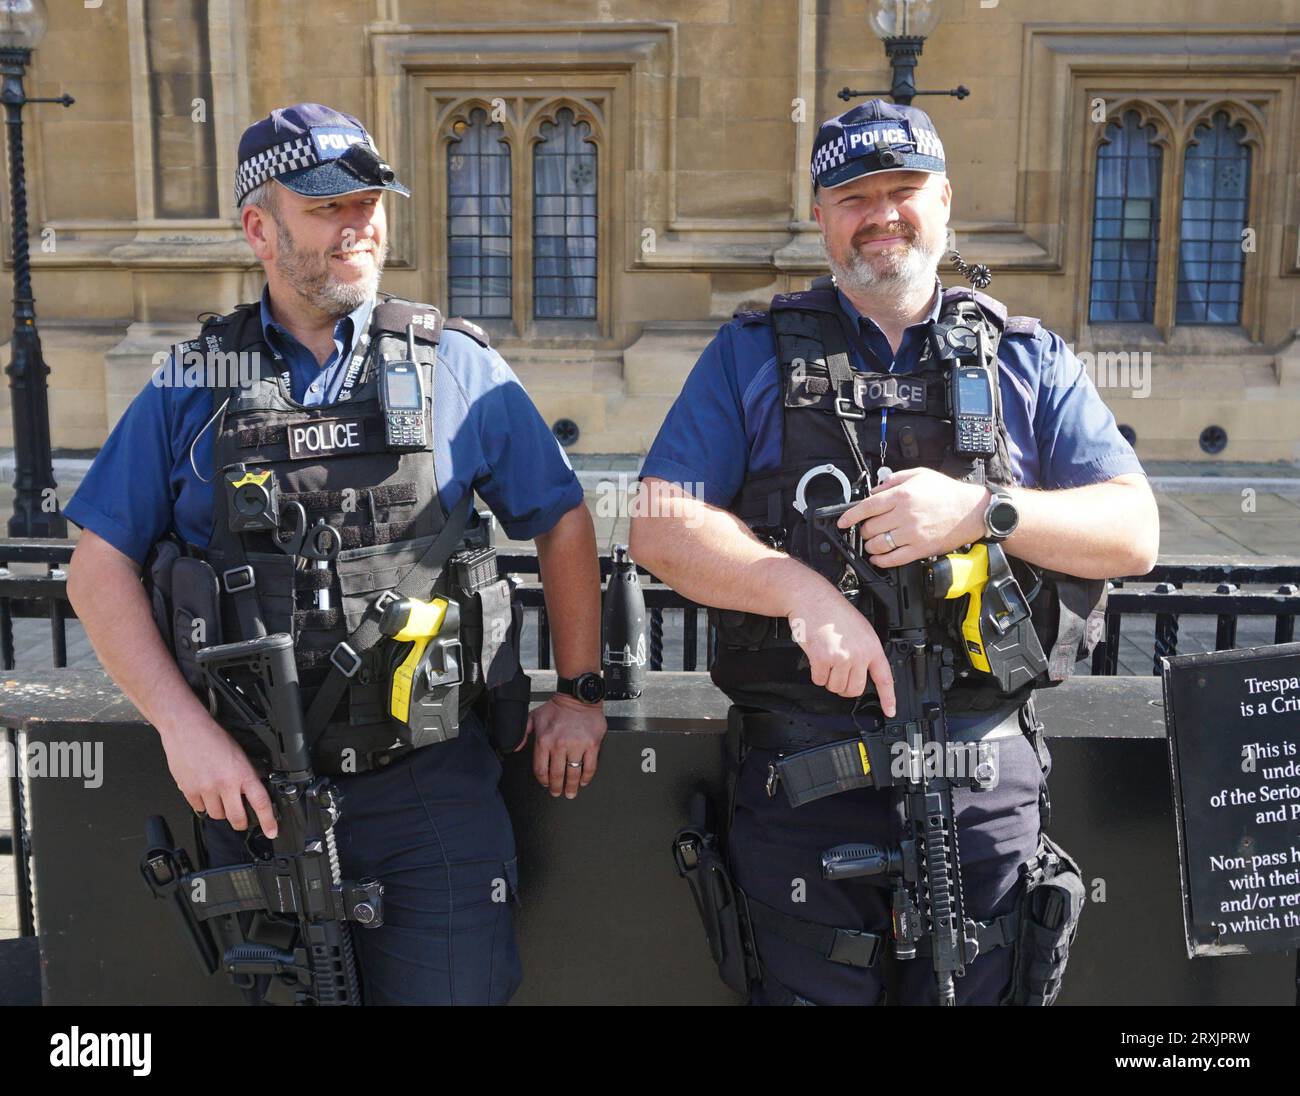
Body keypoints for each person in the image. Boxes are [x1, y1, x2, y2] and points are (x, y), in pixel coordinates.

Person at [64, 103, 608, 1005]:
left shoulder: (456, 366)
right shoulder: (194, 382)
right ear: (258, 229)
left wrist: (581, 691)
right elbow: (96, 567)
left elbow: (561, 515)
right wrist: (183, 729)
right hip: (259, 796)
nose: (360, 224)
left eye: (369, 202)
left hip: (429, 791)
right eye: (327, 208)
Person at [634, 100, 1160, 1005]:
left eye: (904, 190)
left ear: (946, 201)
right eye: (853, 195)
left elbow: (1134, 532)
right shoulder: (750, 355)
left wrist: (981, 512)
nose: (881, 213)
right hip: (802, 782)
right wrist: (803, 594)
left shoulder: (1026, 361)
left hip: (980, 779)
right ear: (820, 215)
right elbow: (655, 523)